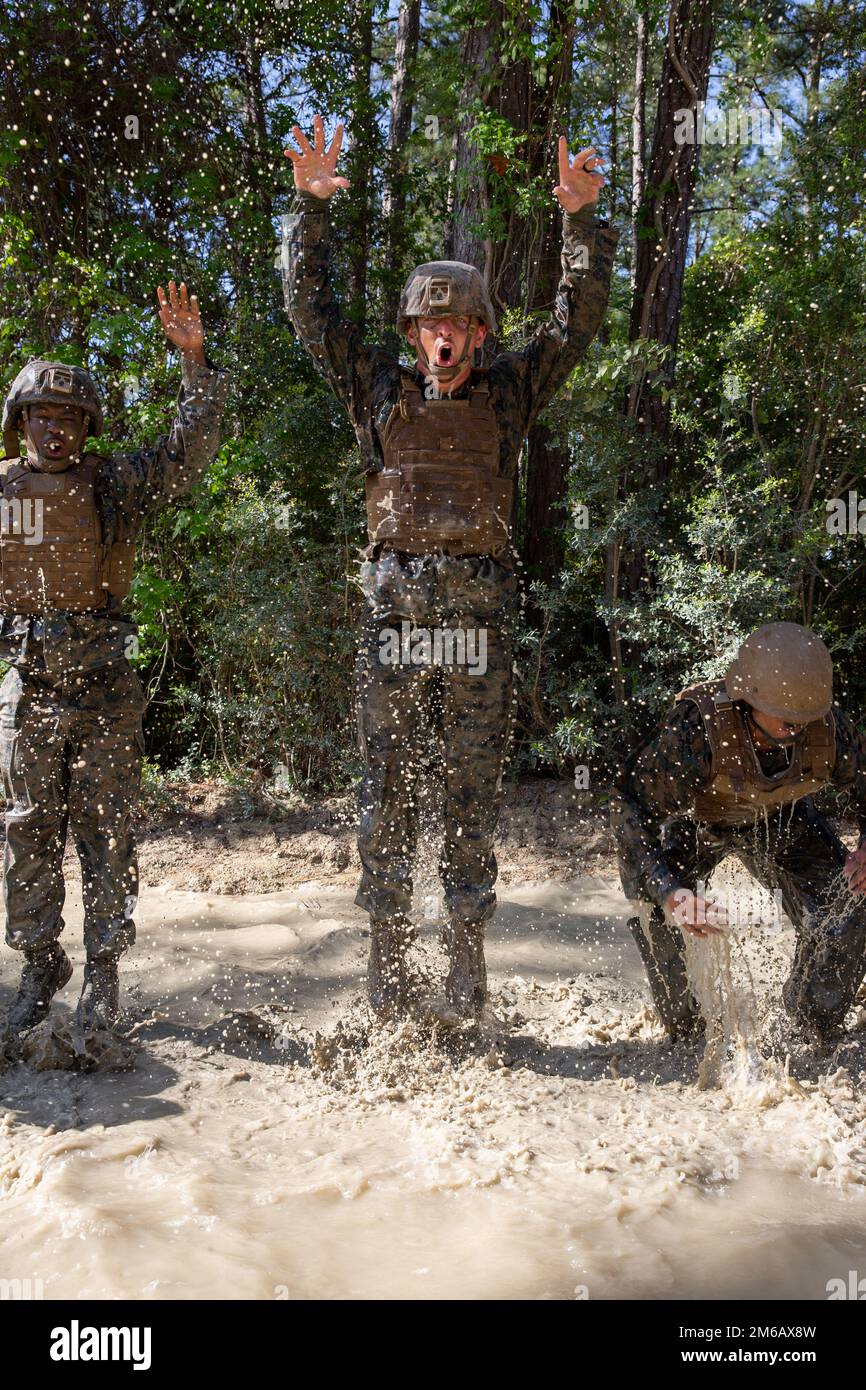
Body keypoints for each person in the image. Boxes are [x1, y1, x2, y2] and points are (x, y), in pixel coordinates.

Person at [283, 114, 618, 1017]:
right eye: (429, 322)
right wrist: (311, 211)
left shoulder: (510, 392)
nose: (442, 337)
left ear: (479, 335)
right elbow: (308, 312)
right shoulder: (377, 392)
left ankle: (465, 972)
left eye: (459, 324)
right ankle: (389, 974)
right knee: (385, 796)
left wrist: (582, 226)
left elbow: (577, 321)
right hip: (394, 630)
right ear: (411, 331)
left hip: (479, 634)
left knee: (470, 799)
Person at [0, 281, 228, 1033]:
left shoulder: (118, 485)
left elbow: (188, 452)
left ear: (86, 427)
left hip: (104, 690)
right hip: (27, 691)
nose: (54, 429)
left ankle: (103, 972)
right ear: (19, 423)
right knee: (28, 832)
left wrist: (194, 363)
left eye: (68, 417)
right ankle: (39, 965)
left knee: (107, 833)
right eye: (41, 415)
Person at [610, 622, 866, 1046]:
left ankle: (808, 1026)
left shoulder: (830, 728)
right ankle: (686, 1032)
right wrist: (670, 892)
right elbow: (626, 806)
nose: (797, 729)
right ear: (749, 702)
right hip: (695, 824)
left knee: (854, 902)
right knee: (659, 912)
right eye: (786, 719)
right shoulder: (696, 730)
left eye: (805, 719)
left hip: (783, 822)